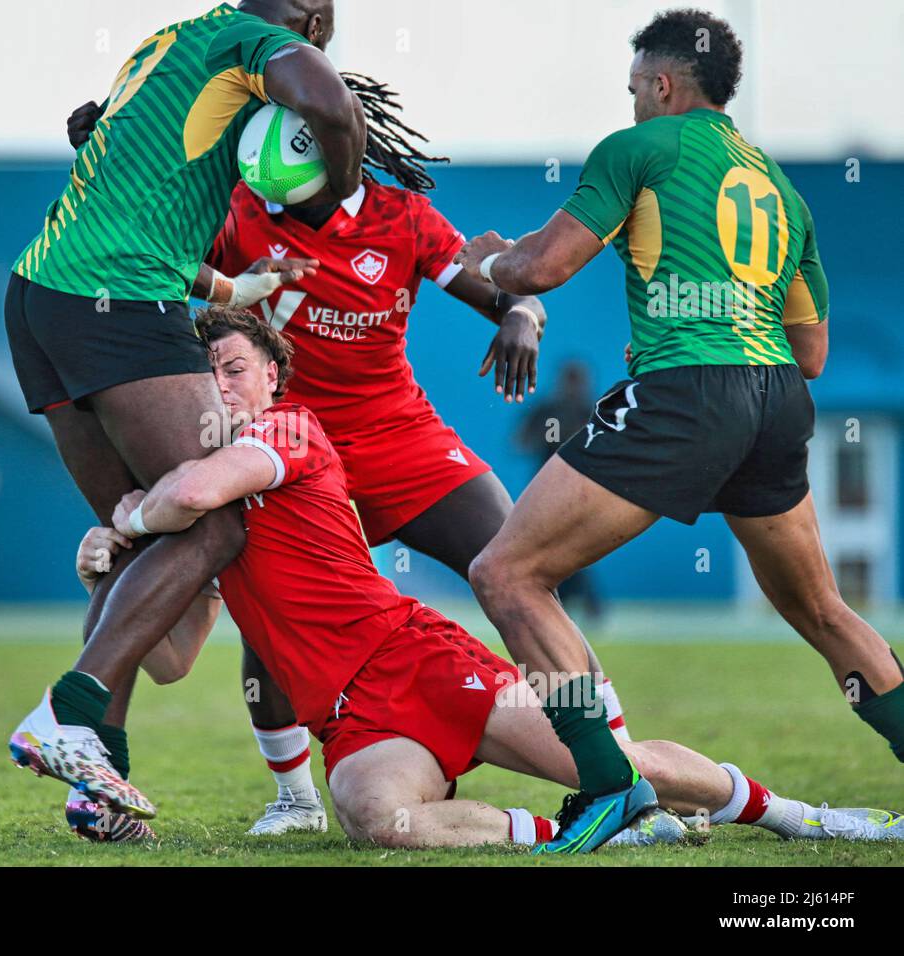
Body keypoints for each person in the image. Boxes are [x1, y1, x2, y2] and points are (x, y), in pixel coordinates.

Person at [82, 307, 901, 849]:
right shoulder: (202, 516)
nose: (220, 386)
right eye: (207, 375)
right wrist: (107, 577)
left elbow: (189, 491)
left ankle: (804, 817)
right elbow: (170, 660)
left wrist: (128, 515)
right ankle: (568, 836)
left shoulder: (287, 429)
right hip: (350, 719)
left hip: (415, 661)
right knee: (377, 819)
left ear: (273, 377)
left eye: (233, 367)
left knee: (616, 763)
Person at [454, 7, 904, 853]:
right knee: (821, 609)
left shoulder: (639, 148)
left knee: (507, 574)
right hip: (776, 397)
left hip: (689, 392)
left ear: (662, 84)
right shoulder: (780, 187)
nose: (629, 102)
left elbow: (542, 266)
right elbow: (812, 352)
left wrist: (488, 260)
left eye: (634, 87)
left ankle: (610, 787)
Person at [190, 73, 628, 835]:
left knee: (520, 575)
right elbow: (155, 255)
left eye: (290, 198)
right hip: (292, 450)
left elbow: (508, 291)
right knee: (273, 622)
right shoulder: (240, 211)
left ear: (338, 153)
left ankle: (619, 767)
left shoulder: (404, 218)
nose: (277, 213)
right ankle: (295, 799)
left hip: (401, 438)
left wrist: (522, 317)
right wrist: (111, 143)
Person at [5, 0, 368, 822]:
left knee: (138, 533)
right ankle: (69, 711)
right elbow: (331, 102)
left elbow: (149, 214)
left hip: (38, 295)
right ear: (312, 22)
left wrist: (238, 288)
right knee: (215, 519)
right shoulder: (257, 43)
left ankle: (100, 782)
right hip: (118, 301)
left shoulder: (170, 43)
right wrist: (341, 188)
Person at [515, 360, 604, 622]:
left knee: (575, 546)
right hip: (547, 490)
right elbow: (520, 441)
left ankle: (584, 602)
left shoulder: (593, 411)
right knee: (552, 545)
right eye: (570, 380)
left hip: (581, 490)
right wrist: (547, 438)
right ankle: (567, 600)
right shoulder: (547, 410)